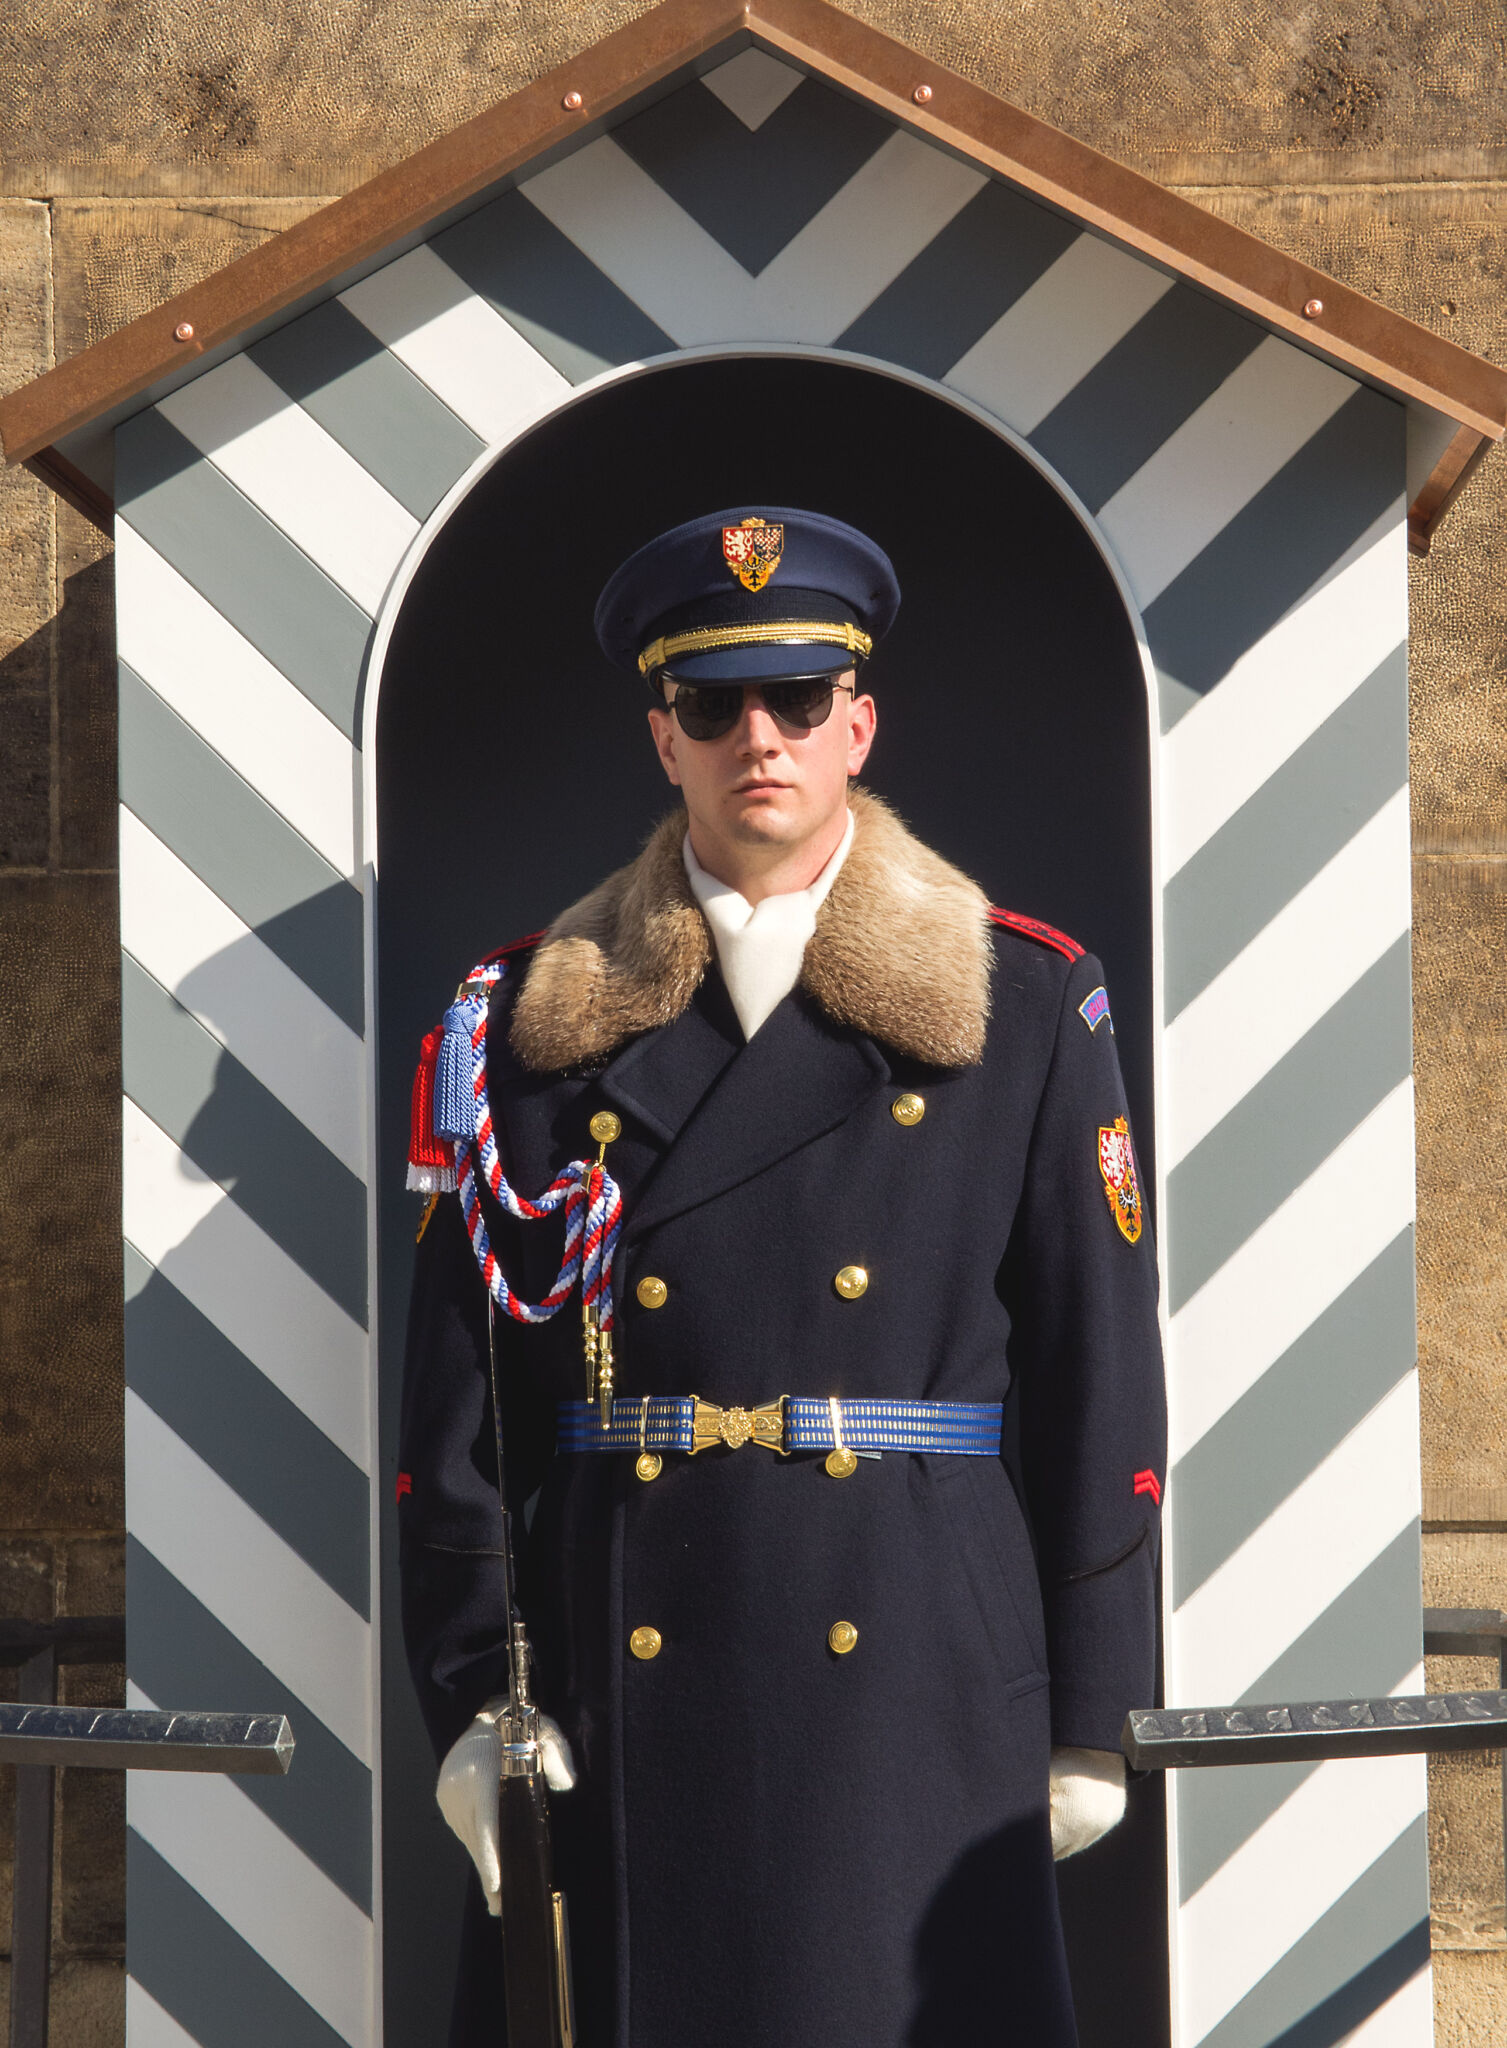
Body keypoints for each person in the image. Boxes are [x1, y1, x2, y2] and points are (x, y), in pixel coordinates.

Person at [398, 507, 1166, 2047]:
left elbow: (1100, 1381)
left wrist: (1093, 1712)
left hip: (921, 1676)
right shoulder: (529, 1025)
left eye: (801, 702)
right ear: (662, 740)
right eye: (713, 705)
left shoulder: (1021, 1000)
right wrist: (480, 1696)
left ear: (858, 726)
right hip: (624, 1676)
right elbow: (454, 1417)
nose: (762, 737)